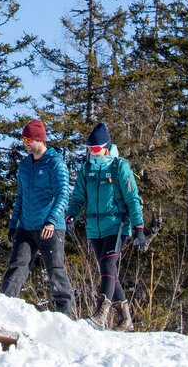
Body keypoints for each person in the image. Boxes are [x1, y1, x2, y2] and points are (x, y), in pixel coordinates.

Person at [66, 121, 146, 332]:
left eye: (96, 148)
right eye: (89, 149)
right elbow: (78, 196)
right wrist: (71, 215)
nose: (93, 152)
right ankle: (126, 319)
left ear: (106, 146)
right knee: (107, 269)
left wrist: (139, 227)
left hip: (117, 224)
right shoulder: (87, 169)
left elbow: (132, 198)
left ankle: (100, 314)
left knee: (108, 265)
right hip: (94, 226)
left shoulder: (119, 166)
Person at [1, 118, 74, 317]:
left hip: (49, 226)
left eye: (27, 139)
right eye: (23, 139)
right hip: (26, 225)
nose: (25, 143)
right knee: (17, 266)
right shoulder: (25, 165)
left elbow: (63, 194)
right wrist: (13, 223)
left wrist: (51, 220)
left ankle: (65, 315)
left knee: (55, 269)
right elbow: (21, 196)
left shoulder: (55, 163)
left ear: (38, 140)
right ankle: (3, 308)